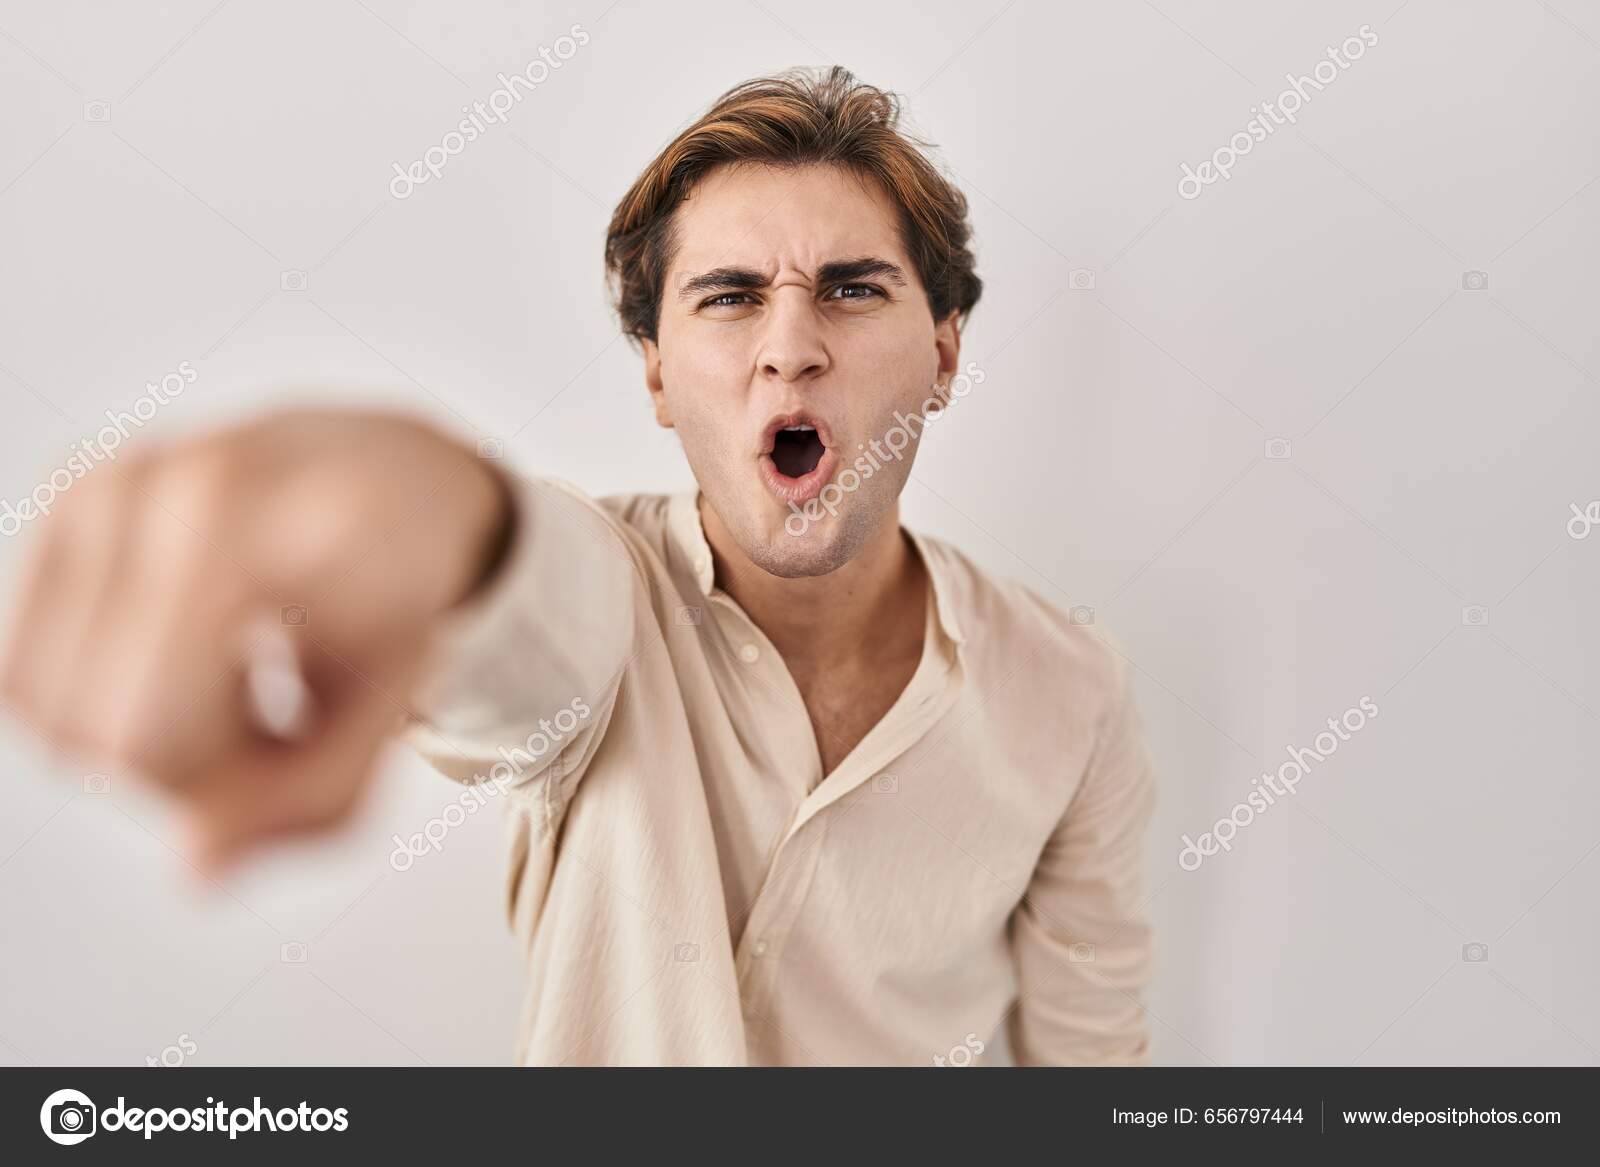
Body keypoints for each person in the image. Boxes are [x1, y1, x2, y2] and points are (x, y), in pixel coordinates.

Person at [0, 68, 1156, 1066]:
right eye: (730, 298)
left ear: (944, 355)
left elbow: (1090, 1067)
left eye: (852, 289)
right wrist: (433, 514)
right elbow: (521, 596)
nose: (791, 348)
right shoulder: (604, 602)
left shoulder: (1070, 686)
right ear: (657, 377)